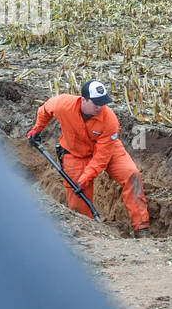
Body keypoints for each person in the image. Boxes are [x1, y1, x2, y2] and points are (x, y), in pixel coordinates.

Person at [26, 78, 150, 237]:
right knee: (79, 203)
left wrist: (87, 176)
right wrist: (36, 129)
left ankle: (142, 228)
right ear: (83, 100)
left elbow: (102, 156)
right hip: (74, 153)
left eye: (103, 103)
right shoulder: (63, 104)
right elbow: (44, 110)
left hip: (108, 151)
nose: (100, 107)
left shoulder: (110, 120)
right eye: (96, 103)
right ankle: (90, 234)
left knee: (132, 175)